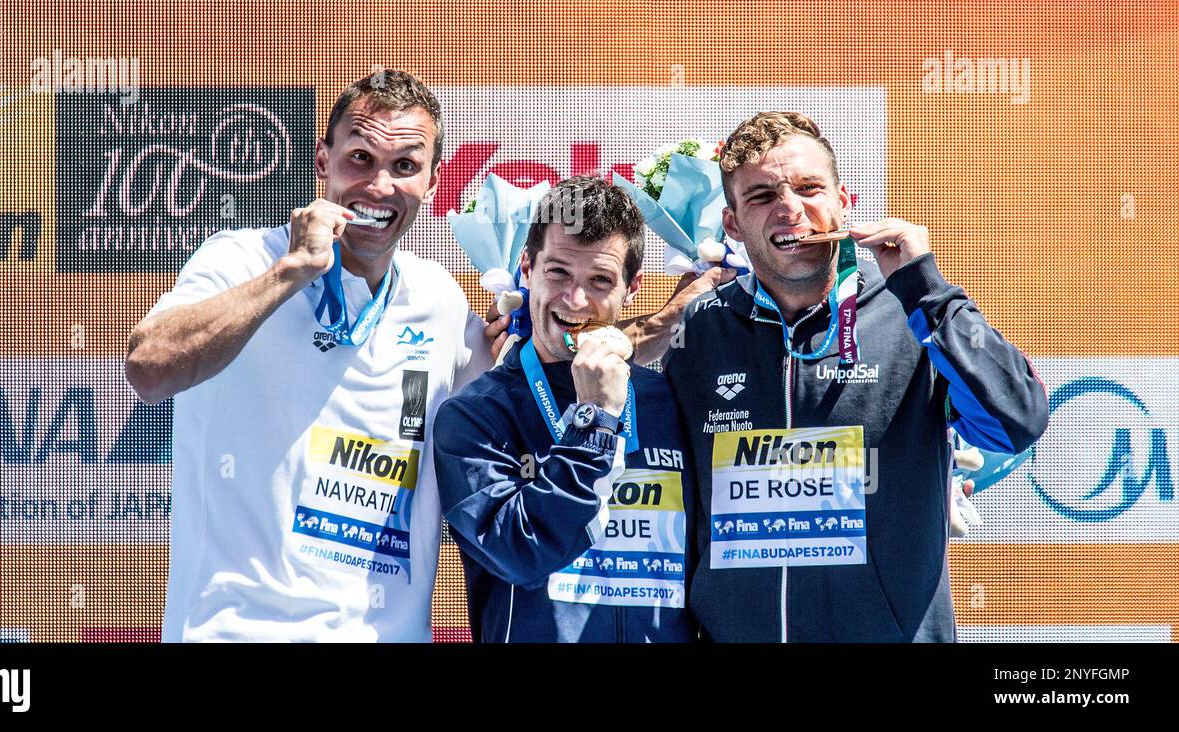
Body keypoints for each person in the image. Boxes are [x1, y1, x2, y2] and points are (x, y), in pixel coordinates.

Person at [125, 70, 497, 642]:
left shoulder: (440, 298)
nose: (378, 185)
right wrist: (290, 273)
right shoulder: (245, 257)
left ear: (433, 181)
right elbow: (149, 368)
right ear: (321, 162)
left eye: (404, 166)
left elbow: (519, 398)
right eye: (360, 158)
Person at [661, 111, 1049, 642]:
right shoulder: (700, 332)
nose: (790, 209)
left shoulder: (910, 311)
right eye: (761, 197)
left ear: (845, 202)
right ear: (732, 224)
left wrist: (927, 287)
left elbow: (1017, 419)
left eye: (809, 187)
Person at [433, 177, 699, 642]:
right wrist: (594, 421)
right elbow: (519, 553)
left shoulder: (670, 400)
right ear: (526, 268)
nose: (575, 301)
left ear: (632, 288)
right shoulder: (476, 415)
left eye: (599, 280)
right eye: (558, 273)